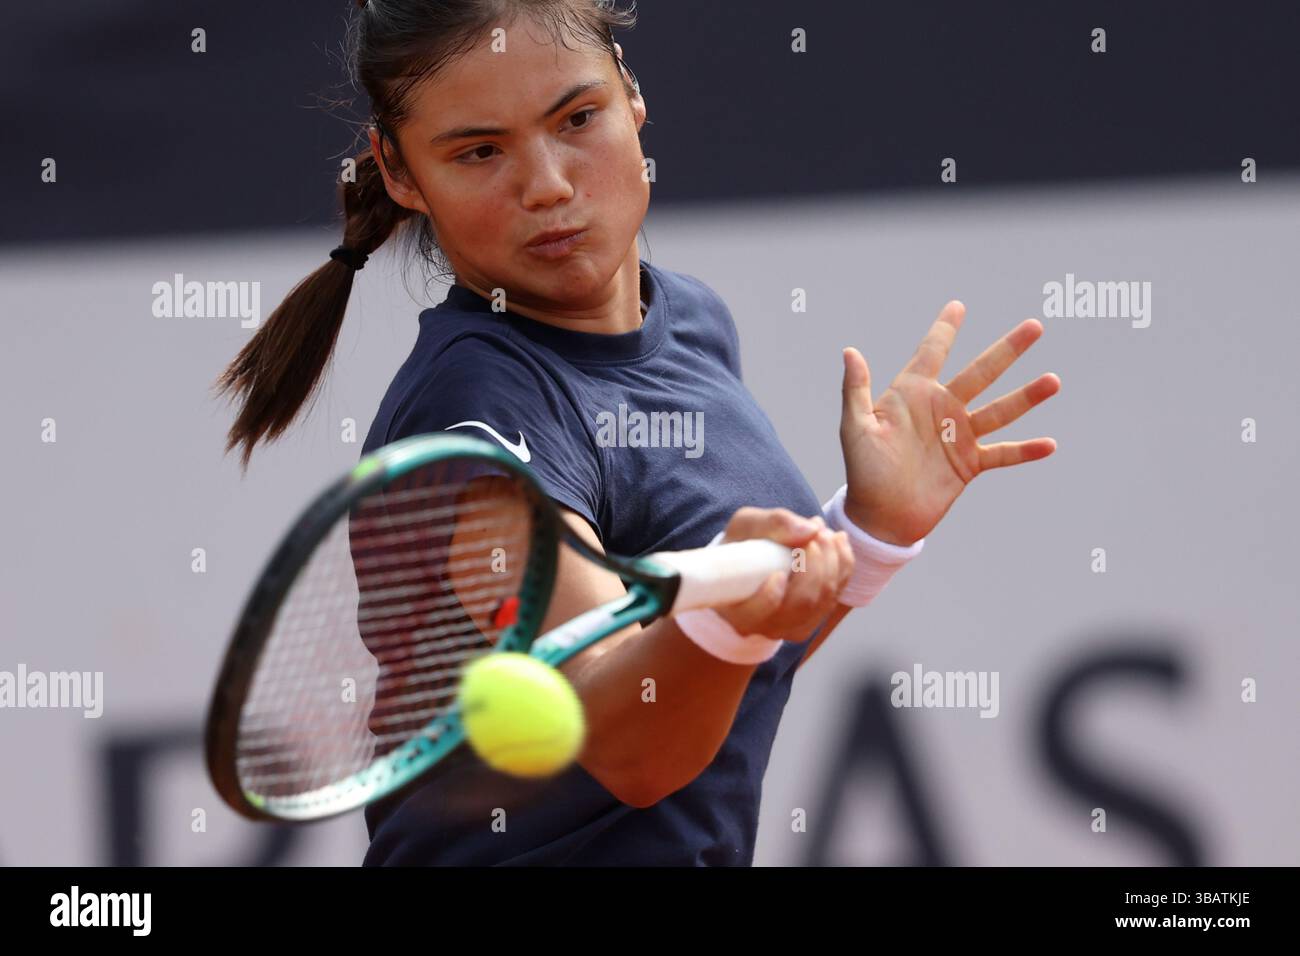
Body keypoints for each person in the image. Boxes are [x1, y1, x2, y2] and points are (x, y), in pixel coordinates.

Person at [215, 0, 1060, 865]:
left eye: (577, 118)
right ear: (397, 173)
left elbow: (720, 674)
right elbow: (635, 745)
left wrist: (867, 533)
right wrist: (730, 626)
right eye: (479, 151)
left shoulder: (691, 320)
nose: (546, 183)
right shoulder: (471, 413)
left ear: (633, 97)